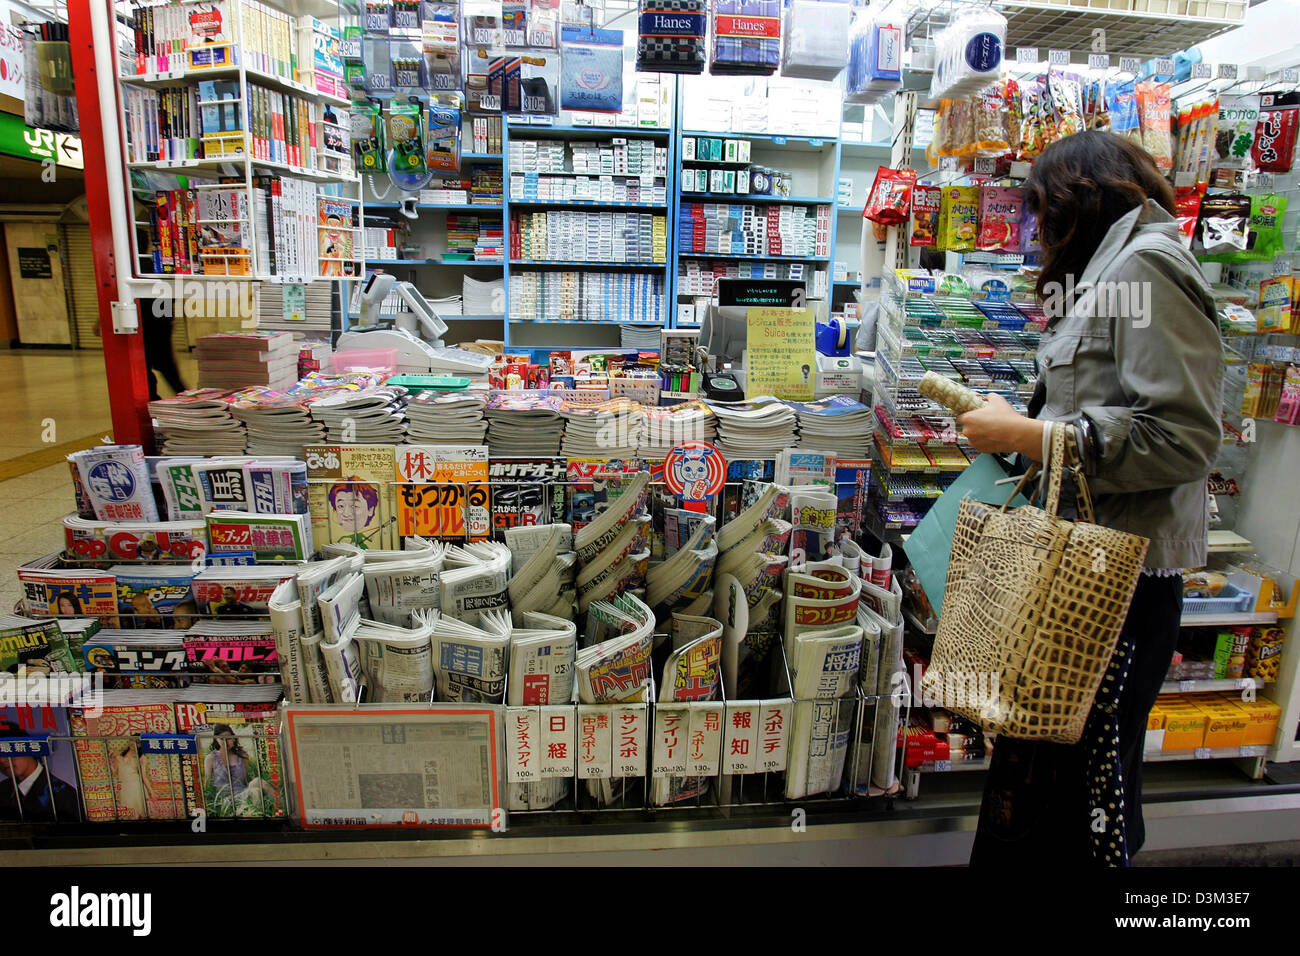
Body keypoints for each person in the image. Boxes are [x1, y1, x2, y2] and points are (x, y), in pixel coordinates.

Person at [954, 131, 1223, 867]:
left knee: (1081, 807)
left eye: (1044, 210)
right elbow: (1102, 404)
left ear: (1080, 197)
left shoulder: (1149, 268)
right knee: (1042, 794)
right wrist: (1019, 432)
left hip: (1115, 589)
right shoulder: (1113, 271)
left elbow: (1185, 437)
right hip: (1078, 570)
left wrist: (1034, 436)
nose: (1039, 231)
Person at [0, 721, 81, 822]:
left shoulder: (63, 793)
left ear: (28, 746)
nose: (2, 760)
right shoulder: (3, 791)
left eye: (8, 751)